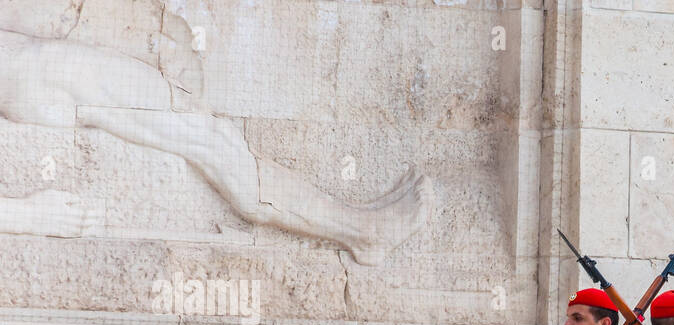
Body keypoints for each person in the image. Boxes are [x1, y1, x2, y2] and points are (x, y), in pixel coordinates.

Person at [0, 1, 428, 263]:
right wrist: (27, 216)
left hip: (36, 63)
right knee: (207, 137)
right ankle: (361, 232)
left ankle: (356, 226)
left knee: (203, 128)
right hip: (39, 74)